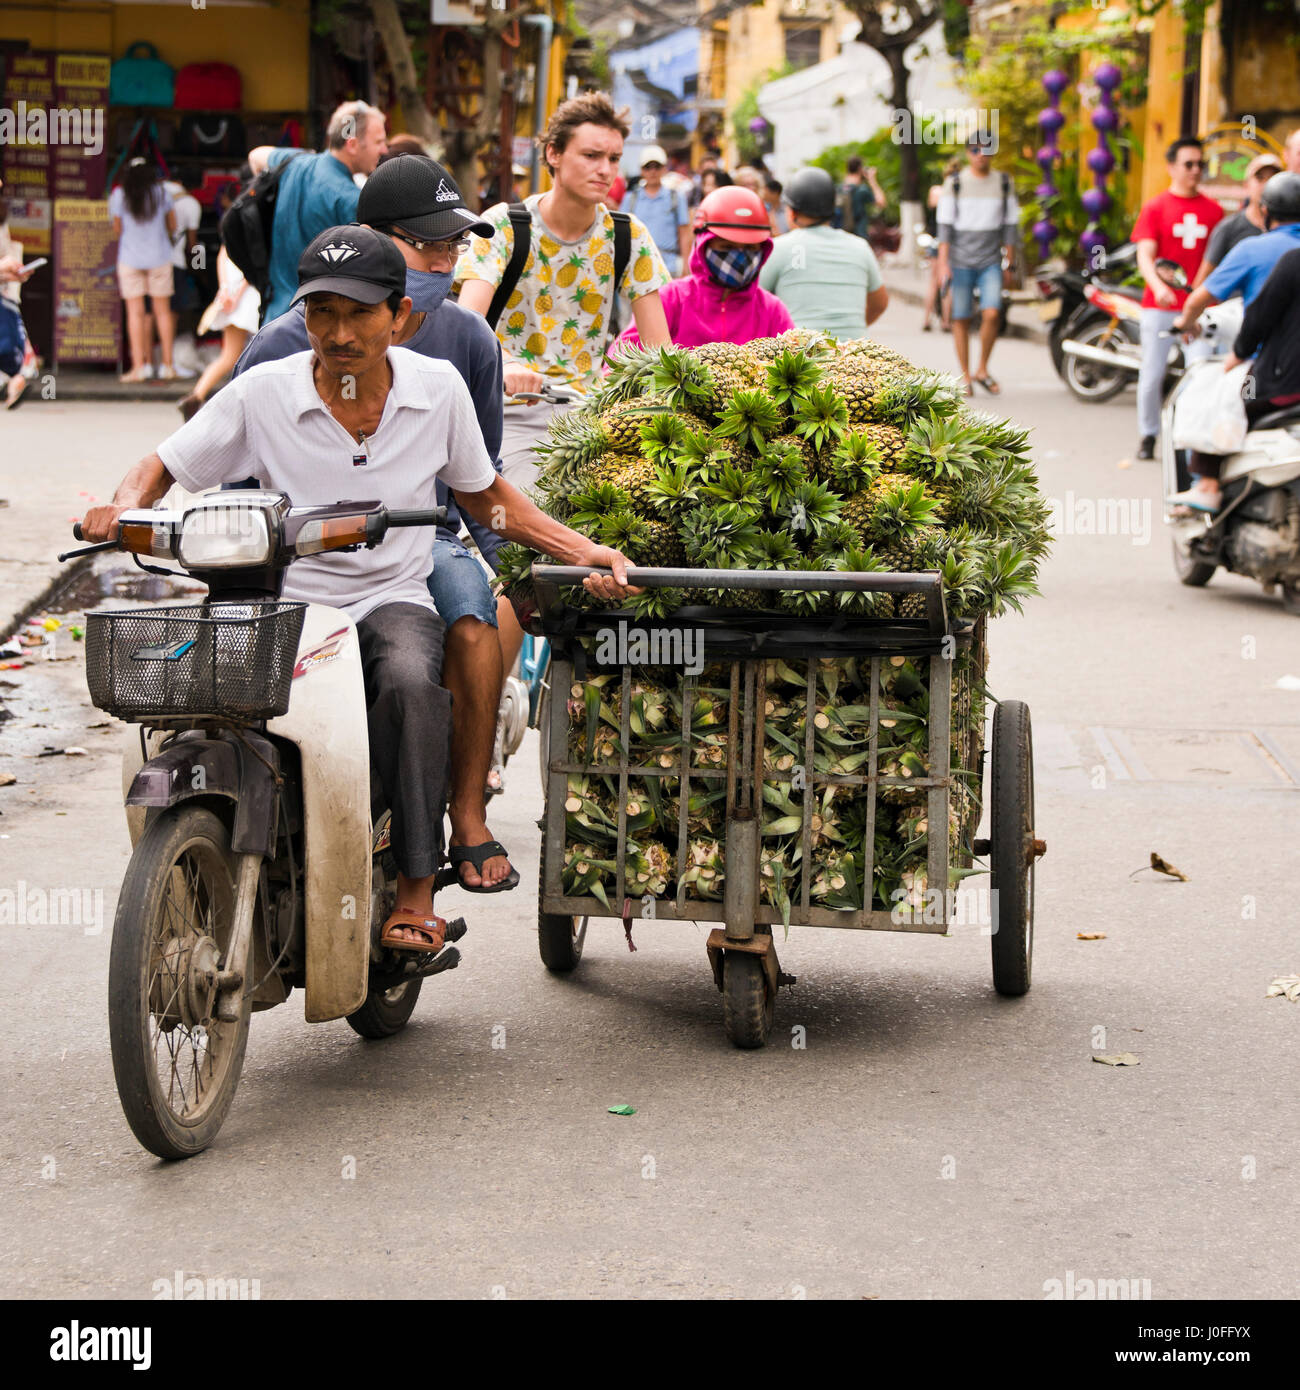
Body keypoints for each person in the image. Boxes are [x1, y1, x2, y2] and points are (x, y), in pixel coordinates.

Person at [79, 226, 635, 953]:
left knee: (409, 681)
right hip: (282, 601)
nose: (339, 334)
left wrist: (582, 548)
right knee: (209, 704)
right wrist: (123, 506)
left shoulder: (436, 391)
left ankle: (413, 889)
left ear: (399, 317)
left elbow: (488, 498)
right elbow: (163, 464)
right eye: (322, 313)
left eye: (359, 314)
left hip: (387, 597)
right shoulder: (263, 391)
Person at [231, 160, 517, 893]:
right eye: (429, 250)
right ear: (373, 245)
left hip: (429, 534)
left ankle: (467, 808)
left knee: (474, 623)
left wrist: (515, 564)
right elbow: (228, 477)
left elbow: (480, 489)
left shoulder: (467, 345)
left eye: (455, 251)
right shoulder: (278, 346)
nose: (444, 266)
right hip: (296, 548)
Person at [456, 91, 671, 693]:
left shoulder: (628, 235)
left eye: (615, 157)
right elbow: (468, 327)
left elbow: (661, 354)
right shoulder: (503, 226)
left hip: (589, 426)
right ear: (553, 154)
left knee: (619, 560)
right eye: (591, 155)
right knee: (525, 569)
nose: (606, 169)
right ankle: (487, 707)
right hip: (512, 420)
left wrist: (637, 393)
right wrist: (505, 365)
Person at [1168, 243, 1300, 513]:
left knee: (1216, 389)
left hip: (1283, 388)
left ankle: (1207, 483)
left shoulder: (1289, 260)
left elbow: (1259, 317)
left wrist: (1238, 354)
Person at [247, 100, 389, 322]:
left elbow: (256, 155)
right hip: (316, 325)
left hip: (274, 317)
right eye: (379, 142)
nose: (384, 150)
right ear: (351, 145)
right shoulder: (350, 199)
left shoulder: (295, 163)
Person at [611, 185, 793, 353]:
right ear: (703, 245)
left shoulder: (772, 311)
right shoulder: (672, 299)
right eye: (726, 247)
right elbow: (620, 360)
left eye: (750, 248)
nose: (739, 257)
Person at [1130, 136, 1223, 459]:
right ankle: (1148, 436)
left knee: (1200, 371)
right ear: (1172, 167)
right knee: (1152, 373)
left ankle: (1190, 438)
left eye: (1200, 164)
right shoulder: (1156, 207)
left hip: (1199, 310)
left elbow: (1219, 261)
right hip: (1160, 307)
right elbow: (1145, 255)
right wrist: (1158, 286)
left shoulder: (1214, 212)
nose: (1196, 170)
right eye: (1188, 164)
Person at [759, 166, 888, 341]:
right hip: (854, 357)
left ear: (792, 212)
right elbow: (880, 303)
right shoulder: (860, 247)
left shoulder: (779, 248)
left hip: (799, 359)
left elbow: (754, 301)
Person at [935, 135, 1020, 396]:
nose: (981, 154)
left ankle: (982, 368)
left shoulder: (1004, 182)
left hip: (990, 261)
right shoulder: (956, 183)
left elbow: (1010, 226)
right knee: (960, 317)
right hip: (959, 261)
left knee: (993, 313)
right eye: (975, 149)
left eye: (986, 149)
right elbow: (945, 228)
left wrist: (1010, 263)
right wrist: (942, 265)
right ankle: (965, 375)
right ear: (967, 153)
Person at [1174, 172, 1300, 333]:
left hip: (1258, 351)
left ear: (1265, 211)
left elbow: (1198, 300)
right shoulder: (1232, 229)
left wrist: (1185, 323)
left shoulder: (1251, 249)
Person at [109, 158, 179, 383]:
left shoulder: (119, 195)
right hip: (160, 256)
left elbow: (117, 228)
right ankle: (168, 366)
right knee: (163, 312)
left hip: (130, 258)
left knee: (135, 314)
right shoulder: (161, 192)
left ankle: (139, 368)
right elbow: (173, 225)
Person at [176, 246, 259, 421]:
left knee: (230, 356)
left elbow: (223, 255)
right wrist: (235, 294)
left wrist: (224, 289)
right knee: (256, 355)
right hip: (246, 297)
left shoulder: (230, 226)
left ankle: (197, 395)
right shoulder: (252, 221)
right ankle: (239, 404)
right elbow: (253, 262)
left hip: (230, 294)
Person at [1192, 153, 1281, 287]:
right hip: (1234, 305)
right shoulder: (1229, 228)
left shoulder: (1289, 228)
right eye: (1260, 178)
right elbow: (1202, 282)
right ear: (1246, 185)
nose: (1266, 185)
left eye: (1273, 178)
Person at [622, 145, 691, 276]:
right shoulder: (630, 198)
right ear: (641, 170)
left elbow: (684, 233)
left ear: (664, 169)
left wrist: (686, 267)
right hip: (637, 266)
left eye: (657, 167)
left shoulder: (676, 197)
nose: (652, 171)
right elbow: (623, 234)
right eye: (648, 167)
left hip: (669, 266)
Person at [922, 157, 961, 332]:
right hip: (949, 242)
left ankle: (926, 320)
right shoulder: (957, 192)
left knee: (933, 283)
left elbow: (931, 206)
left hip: (935, 241)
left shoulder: (936, 190)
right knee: (946, 284)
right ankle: (946, 321)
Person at [839, 155, 886, 239]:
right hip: (859, 237)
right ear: (860, 169)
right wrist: (872, 180)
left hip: (842, 237)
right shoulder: (862, 190)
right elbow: (881, 203)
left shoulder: (839, 188)